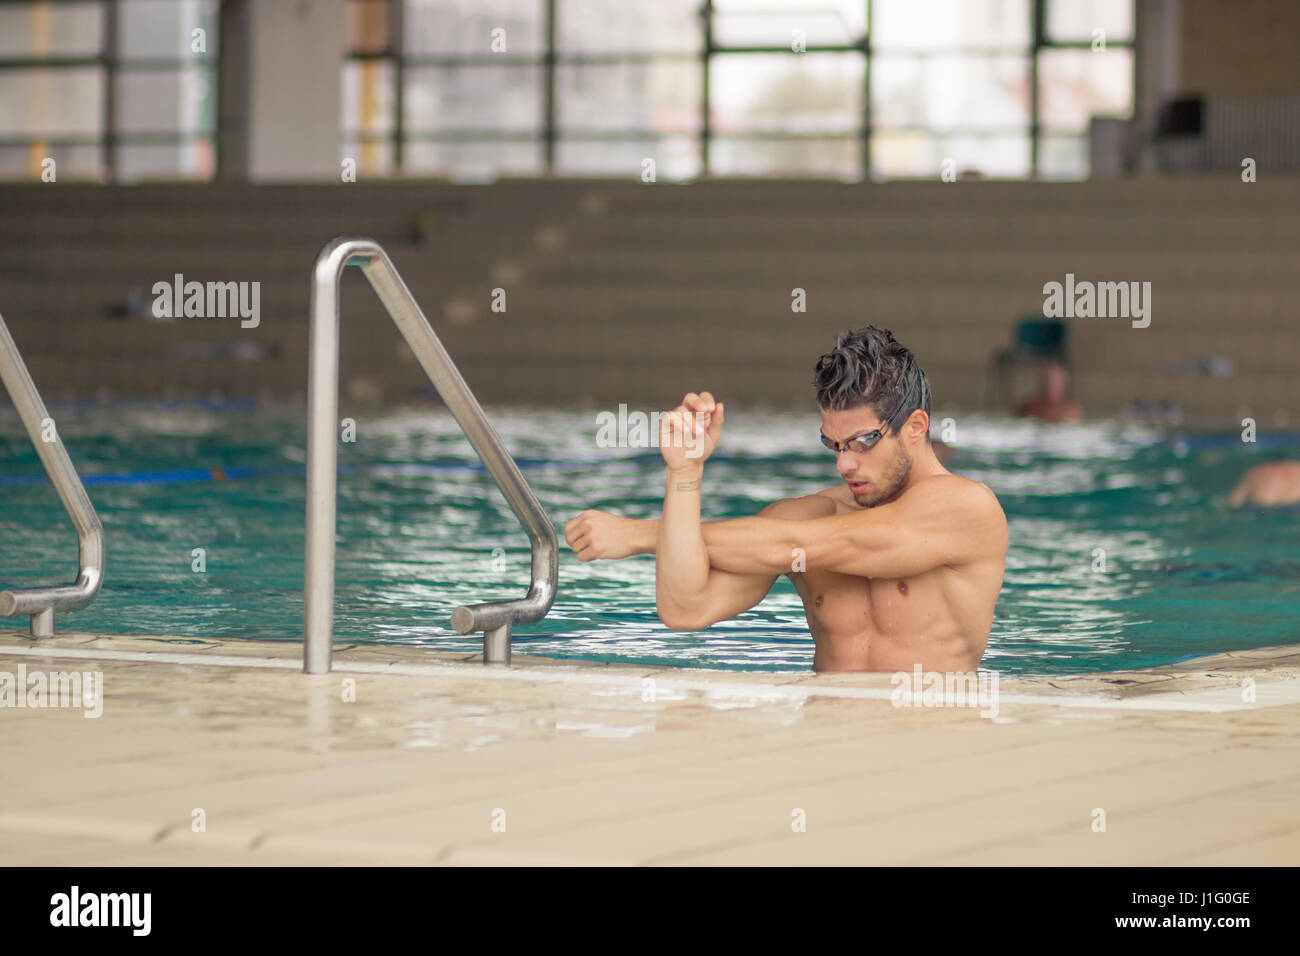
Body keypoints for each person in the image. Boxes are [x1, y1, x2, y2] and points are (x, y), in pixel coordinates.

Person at [564, 326, 1008, 673]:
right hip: (822, 746)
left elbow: (828, 545)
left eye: (862, 442)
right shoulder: (804, 517)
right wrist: (685, 474)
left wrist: (641, 535)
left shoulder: (968, 508)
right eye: (833, 445)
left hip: (931, 745)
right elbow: (685, 607)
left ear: (915, 427)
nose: (844, 465)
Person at [1015, 362, 1082, 422]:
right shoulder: (1029, 409)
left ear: (1064, 384)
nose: (1051, 385)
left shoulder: (1072, 412)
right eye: (1048, 381)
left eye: (1056, 382)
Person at [1227, 461, 1300, 507]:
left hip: (1255, 511)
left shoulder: (1255, 473)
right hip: (1289, 510)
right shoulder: (1297, 472)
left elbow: (1232, 503)